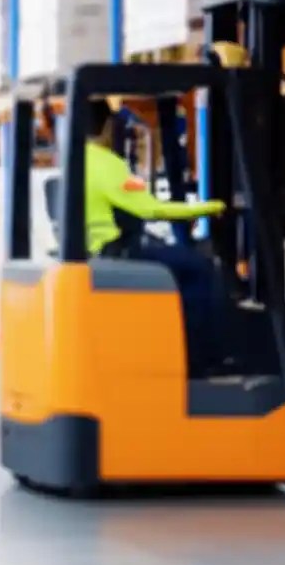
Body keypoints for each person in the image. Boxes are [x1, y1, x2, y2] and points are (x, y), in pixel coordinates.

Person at [83, 97, 227, 368]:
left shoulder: (75, 161)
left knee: (175, 256)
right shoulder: (106, 164)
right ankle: (198, 359)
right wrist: (210, 207)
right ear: (106, 127)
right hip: (118, 253)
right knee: (200, 267)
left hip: (99, 252)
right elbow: (152, 210)